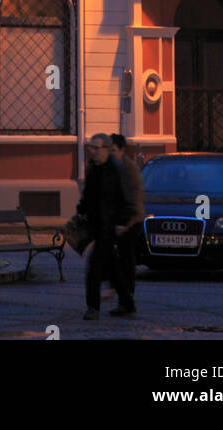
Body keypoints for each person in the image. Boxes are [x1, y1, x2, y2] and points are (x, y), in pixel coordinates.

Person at [76, 132, 136, 319]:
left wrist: (121, 222)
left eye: (96, 147)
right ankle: (127, 303)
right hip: (96, 225)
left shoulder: (116, 169)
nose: (92, 151)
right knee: (113, 267)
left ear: (106, 149)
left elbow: (127, 199)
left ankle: (93, 307)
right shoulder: (94, 167)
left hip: (109, 227)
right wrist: (81, 211)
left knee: (94, 268)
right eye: (91, 147)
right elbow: (88, 195)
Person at [111, 133, 146, 303]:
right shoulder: (112, 167)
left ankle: (127, 297)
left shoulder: (129, 169)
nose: (111, 154)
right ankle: (121, 293)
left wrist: (127, 224)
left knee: (126, 259)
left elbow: (135, 201)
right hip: (119, 220)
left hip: (131, 221)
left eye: (114, 150)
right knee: (117, 258)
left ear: (122, 150)